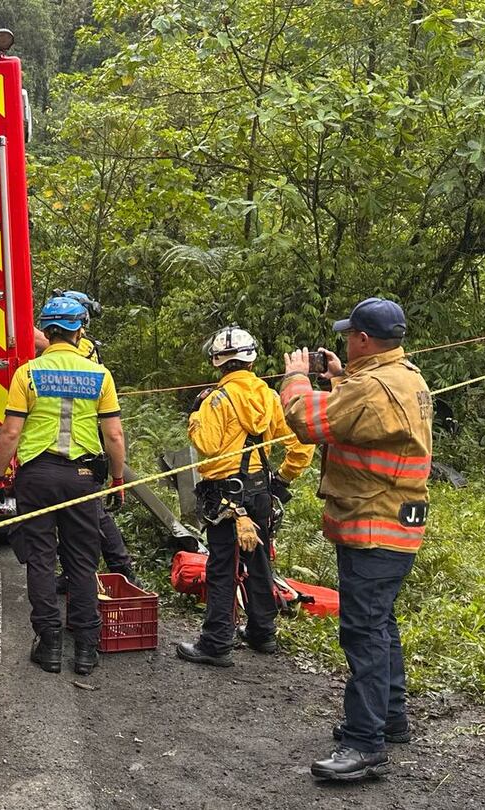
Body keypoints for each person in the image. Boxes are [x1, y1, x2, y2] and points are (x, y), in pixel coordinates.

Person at [278, 297, 432, 783]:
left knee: (363, 631)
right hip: (396, 522)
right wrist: (340, 378)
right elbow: (360, 416)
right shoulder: (404, 376)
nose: (345, 341)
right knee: (380, 622)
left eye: (349, 335)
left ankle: (365, 744)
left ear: (364, 340)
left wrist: (296, 378)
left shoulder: (372, 388)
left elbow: (308, 421)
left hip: (374, 524)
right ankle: (390, 717)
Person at [0, 296, 126, 677]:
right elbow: (114, 436)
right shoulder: (100, 375)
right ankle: (85, 648)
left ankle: (49, 645)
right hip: (82, 479)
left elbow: (10, 433)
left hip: (36, 478)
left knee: (40, 559)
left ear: (47, 332)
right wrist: (117, 479)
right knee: (82, 561)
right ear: (79, 330)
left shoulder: (27, 374)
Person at [175, 325, 313, 667]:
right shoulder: (269, 397)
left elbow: (206, 445)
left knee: (222, 567)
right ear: (251, 360)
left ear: (217, 362)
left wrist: (195, 415)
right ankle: (262, 632)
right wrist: (284, 478)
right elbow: (301, 443)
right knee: (259, 560)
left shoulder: (216, 400)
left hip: (224, 496)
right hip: (259, 491)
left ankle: (216, 642)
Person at [41, 291, 140, 589]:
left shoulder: (79, 347)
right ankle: (74, 572)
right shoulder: (82, 345)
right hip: (77, 442)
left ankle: (122, 572)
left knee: (95, 515)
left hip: (79, 446)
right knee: (78, 515)